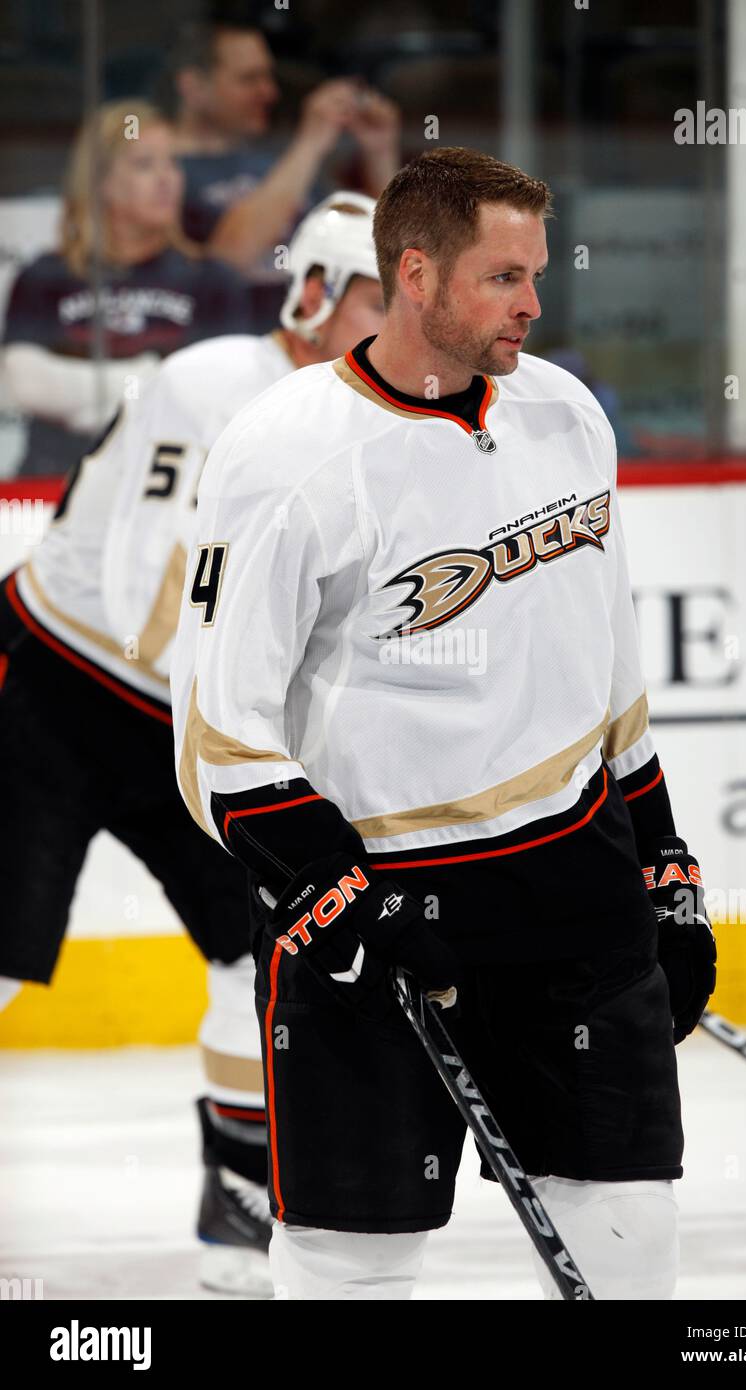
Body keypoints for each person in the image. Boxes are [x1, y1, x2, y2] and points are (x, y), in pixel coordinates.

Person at [170, 147, 716, 1302]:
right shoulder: (285, 454)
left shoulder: (566, 415)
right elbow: (217, 731)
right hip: (380, 901)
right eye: (502, 277)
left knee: (629, 1233)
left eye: (536, 274)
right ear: (413, 274)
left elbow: (609, 670)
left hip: (574, 883)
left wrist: (663, 863)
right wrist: (331, 896)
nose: (532, 304)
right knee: (351, 1262)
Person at [0, 193, 383, 1297]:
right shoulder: (216, 380)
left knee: (255, 957)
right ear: (314, 294)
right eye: (375, 295)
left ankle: (238, 1215)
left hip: (184, 726)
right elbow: (147, 594)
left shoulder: (361, 426)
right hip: (53, 686)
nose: (399, 320)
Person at [2, 100, 249, 478]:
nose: (166, 179)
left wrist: (78, 399)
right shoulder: (45, 277)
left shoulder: (211, 282)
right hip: (55, 482)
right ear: (101, 182)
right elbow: (25, 384)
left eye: (172, 163)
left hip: (168, 485)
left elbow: (215, 393)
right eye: (144, 165)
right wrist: (144, 378)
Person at [165, 21, 400, 271]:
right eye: (249, 79)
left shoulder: (275, 163)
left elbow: (378, 247)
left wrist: (379, 152)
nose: (270, 92)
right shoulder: (163, 173)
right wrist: (310, 143)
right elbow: (229, 260)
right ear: (193, 87)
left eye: (268, 77)